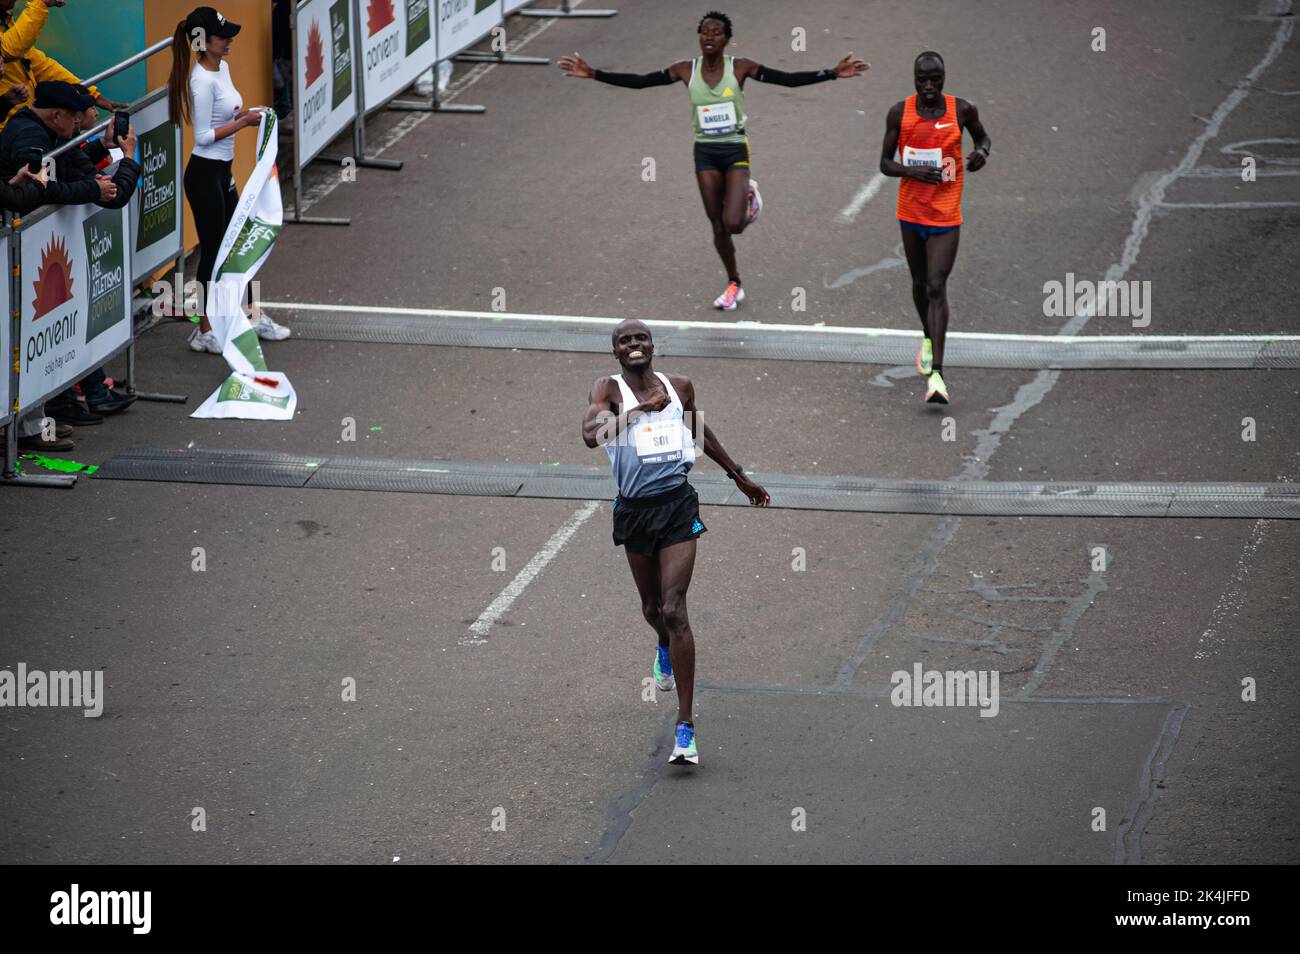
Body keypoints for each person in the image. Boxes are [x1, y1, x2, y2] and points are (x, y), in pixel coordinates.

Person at [559, 12, 868, 310]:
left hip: (734, 148)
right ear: (699, 37)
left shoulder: (741, 67)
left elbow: (785, 79)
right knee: (718, 226)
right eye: (705, 31)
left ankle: (748, 196)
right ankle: (734, 282)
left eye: (716, 32)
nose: (709, 36)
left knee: (733, 224)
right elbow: (642, 81)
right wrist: (594, 73)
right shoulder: (684, 70)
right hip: (705, 152)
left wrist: (831, 73)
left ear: (726, 40)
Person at [582, 319, 769, 765]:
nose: (634, 344)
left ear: (652, 345)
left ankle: (685, 727)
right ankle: (662, 645)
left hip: (678, 506)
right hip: (634, 511)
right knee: (652, 611)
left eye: (640, 338)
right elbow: (592, 437)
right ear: (615, 352)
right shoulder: (607, 390)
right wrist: (642, 409)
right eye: (624, 340)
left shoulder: (680, 386)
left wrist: (739, 477)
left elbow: (700, 432)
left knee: (673, 608)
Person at [0, 80, 140, 449]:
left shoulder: (49, 132)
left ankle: (33, 423)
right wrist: (98, 187)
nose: (81, 123)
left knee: (38, 340)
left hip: (30, 254)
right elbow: (36, 194)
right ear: (57, 114)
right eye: (77, 118)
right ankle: (25, 430)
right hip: (16, 252)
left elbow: (66, 172)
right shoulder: (30, 137)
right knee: (22, 343)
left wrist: (102, 150)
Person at [167, 6, 289, 352]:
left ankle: (251, 313)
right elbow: (203, 136)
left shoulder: (223, 68)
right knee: (212, 252)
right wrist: (244, 122)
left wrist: (252, 115)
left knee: (240, 244)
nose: (230, 41)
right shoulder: (199, 80)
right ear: (204, 41)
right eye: (223, 36)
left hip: (223, 172)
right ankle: (204, 329)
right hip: (204, 175)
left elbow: (231, 112)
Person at [879, 51, 990, 405]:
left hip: (945, 214)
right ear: (914, 78)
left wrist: (981, 155)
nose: (928, 86)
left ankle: (938, 376)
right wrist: (913, 171)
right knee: (918, 282)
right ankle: (928, 336)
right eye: (922, 80)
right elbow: (884, 164)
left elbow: (983, 140)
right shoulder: (901, 112)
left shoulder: (963, 110)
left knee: (936, 285)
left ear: (944, 78)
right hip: (911, 212)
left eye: (935, 80)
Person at [0, 0, 127, 133]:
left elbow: (42, 66)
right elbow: (9, 49)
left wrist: (92, 94)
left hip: (20, 126)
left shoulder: (5, 23)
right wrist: (40, 3)